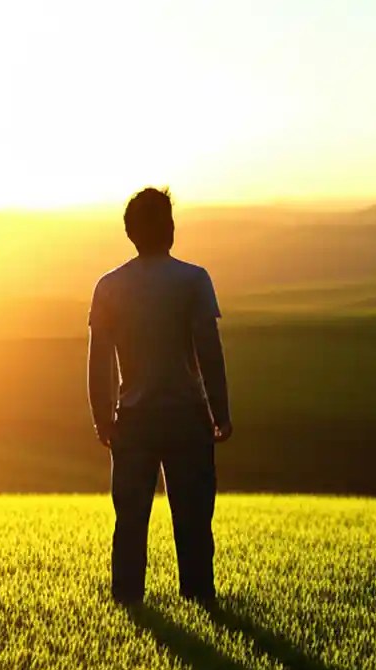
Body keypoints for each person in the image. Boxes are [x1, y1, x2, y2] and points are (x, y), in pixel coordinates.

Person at [87, 187, 232, 607]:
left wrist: (102, 418)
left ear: (130, 232)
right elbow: (210, 351)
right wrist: (220, 411)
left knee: (130, 523)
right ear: (170, 227)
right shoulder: (193, 280)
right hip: (188, 416)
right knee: (193, 523)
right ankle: (199, 601)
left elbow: (99, 362)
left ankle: (129, 604)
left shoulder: (109, 287)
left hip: (132, 419)